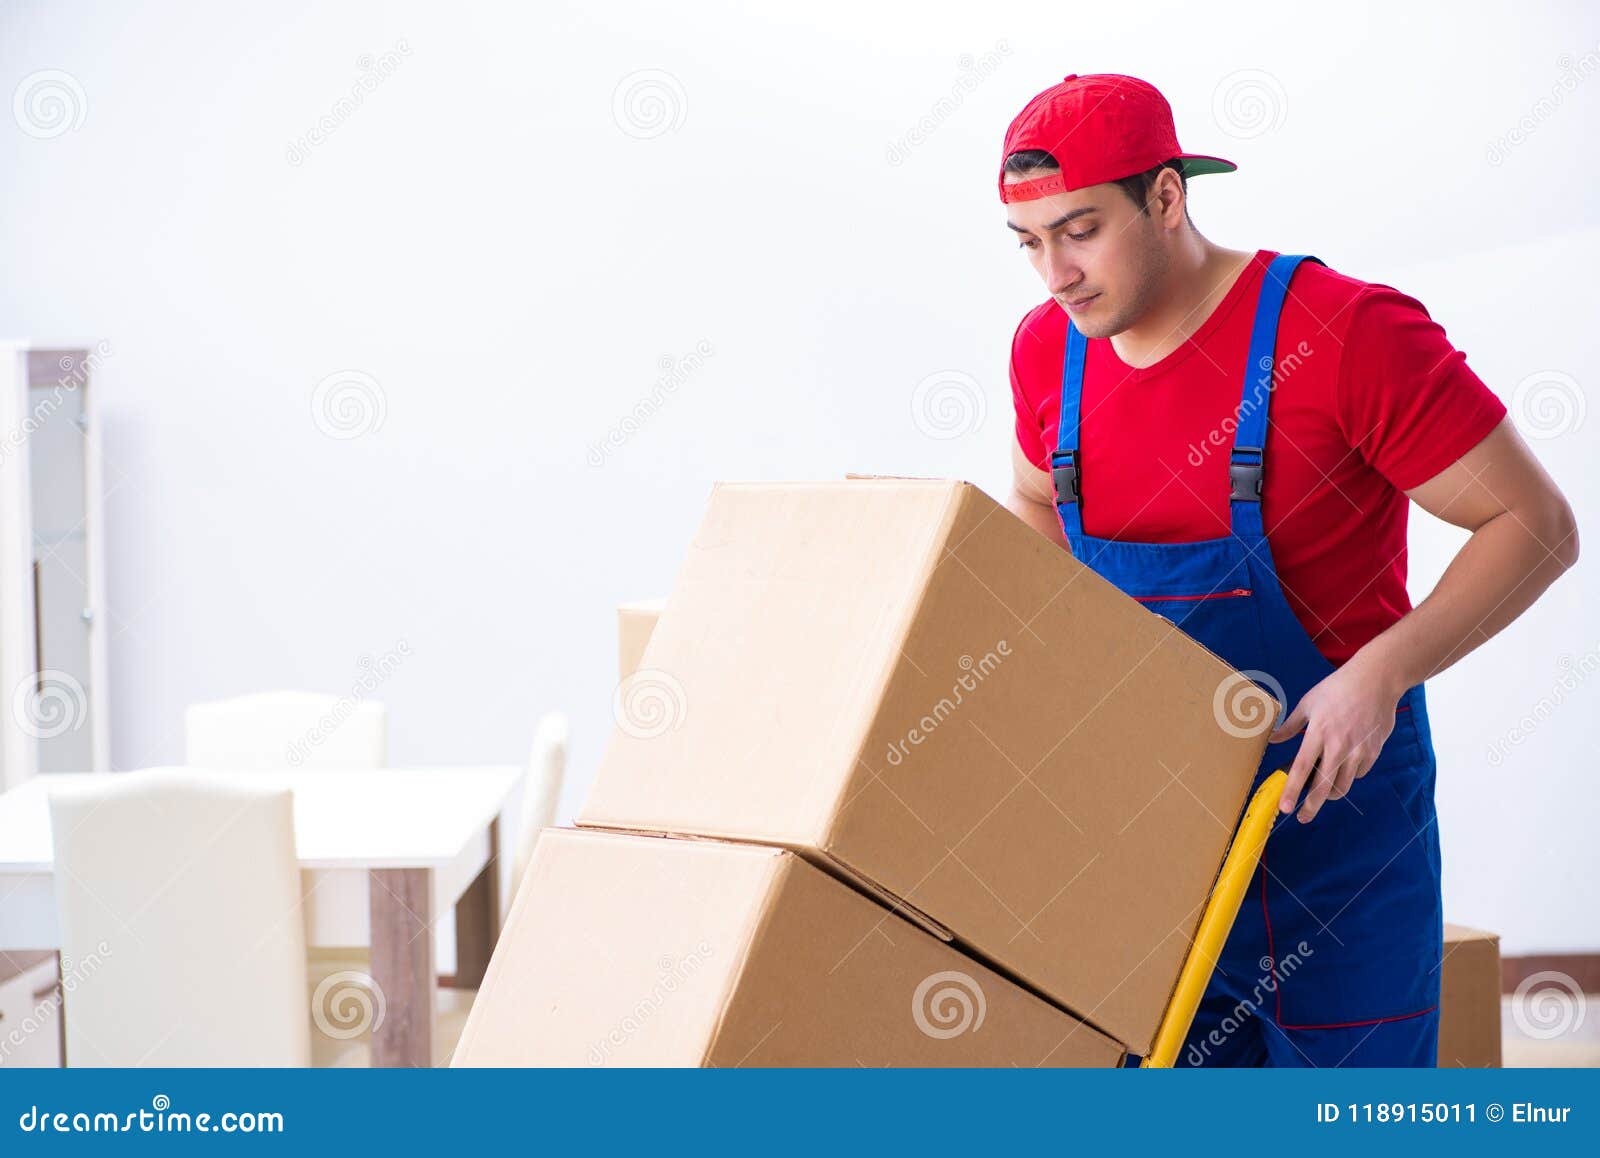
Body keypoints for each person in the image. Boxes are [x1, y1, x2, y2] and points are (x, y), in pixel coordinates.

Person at [999, 73, 1578, 1067]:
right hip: (1151, 839)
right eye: (1029, 242)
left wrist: (1381, 673)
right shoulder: (1049, 353)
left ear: (1167, 197)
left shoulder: (1342, 332)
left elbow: (1533, 526)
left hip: (1331, 835)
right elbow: (1034, 509)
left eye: (1080, 229)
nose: (1055, 273)